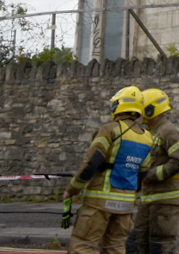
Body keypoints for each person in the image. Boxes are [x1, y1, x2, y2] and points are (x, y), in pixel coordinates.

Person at [64, 86, 154, 254]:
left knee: (84, 246)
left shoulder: (110, 130)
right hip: (126, 205)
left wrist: (72, 189)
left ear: (118, 106)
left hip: (99, 201)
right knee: (115, 247)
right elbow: (143, 172)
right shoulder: (147, 138)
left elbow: (92, 163)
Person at [127, 89, 179, 254]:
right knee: (136, 242)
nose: (138, 115)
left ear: (151, 109)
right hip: (149, 197)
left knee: (161, 245)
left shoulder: (168, 131)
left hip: (166, 200)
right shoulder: (150, 132)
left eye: (141, 110)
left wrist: (151, 175)